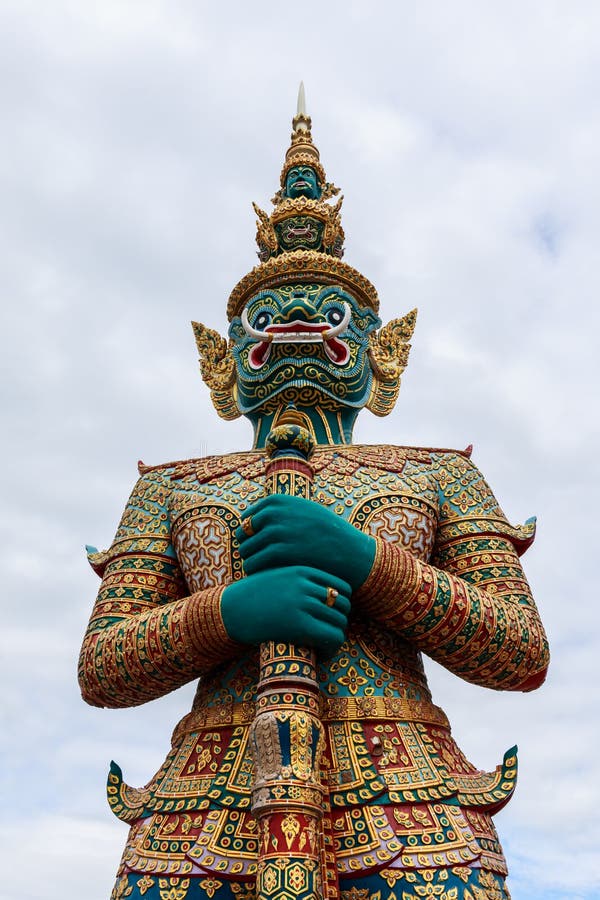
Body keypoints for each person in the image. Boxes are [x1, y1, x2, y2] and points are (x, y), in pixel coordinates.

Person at [79, 90, 549, 900]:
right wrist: (227, 613)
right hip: (205, 814)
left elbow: (518, 649)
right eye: (268, 315)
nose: (295, 323)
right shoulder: (169, 490)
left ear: (381, 353)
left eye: (328, 312)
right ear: (223, 363)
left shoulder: (437, 474)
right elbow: (104, 667)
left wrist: (368, 563)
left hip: (405, 806)